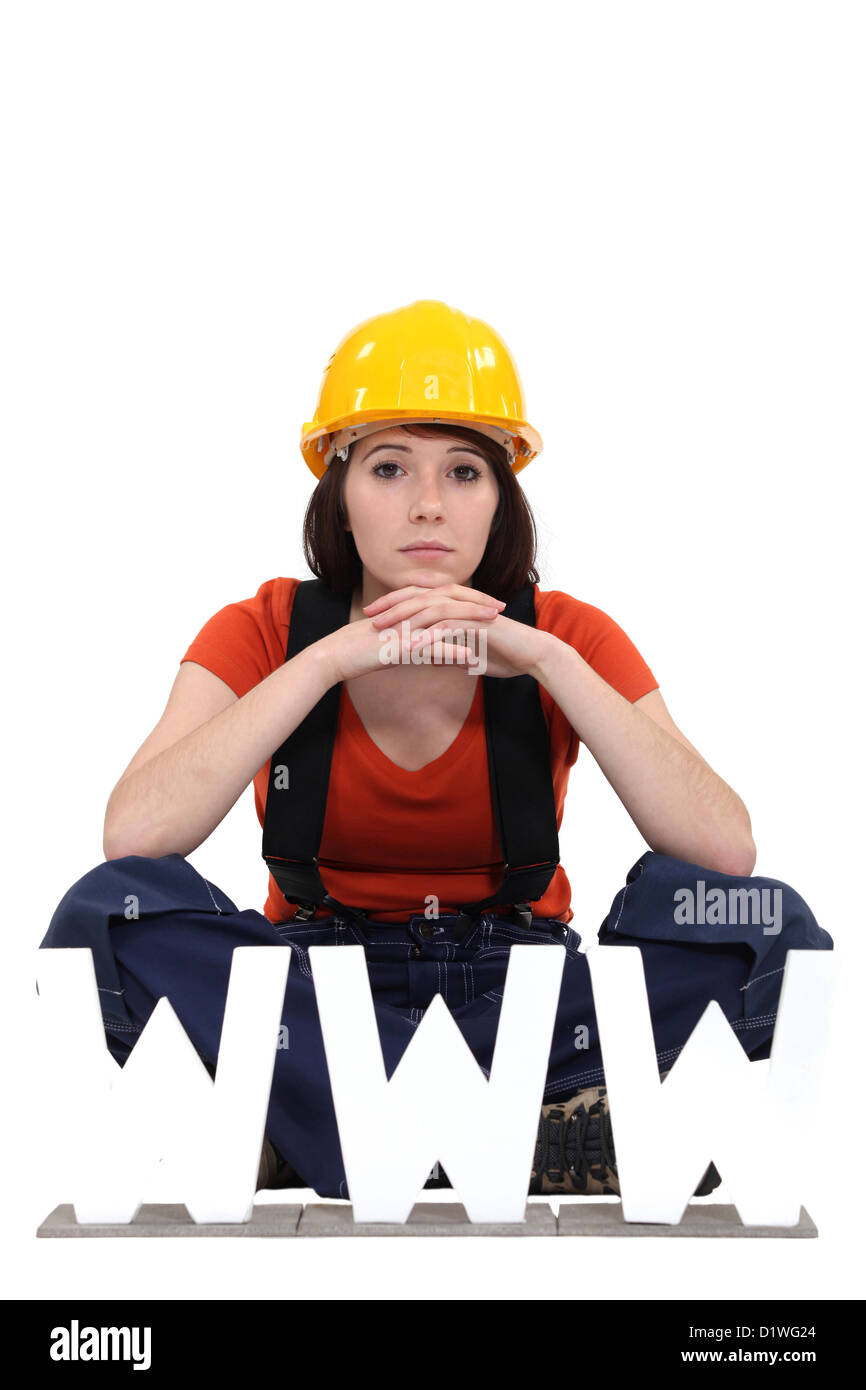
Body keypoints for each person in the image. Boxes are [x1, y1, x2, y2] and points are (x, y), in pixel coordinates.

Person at [40, 298, 833, 1202]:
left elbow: (725, 850)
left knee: (768, 925)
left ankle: (310, 1127)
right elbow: (134, 835)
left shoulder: (566, 634)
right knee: (107, 911)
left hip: (525, 1002)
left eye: (464, 472)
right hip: (311, 997)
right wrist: (331, 659)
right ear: (337, 493)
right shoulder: (262, 628)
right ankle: (505, 1132)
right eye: (387, 468)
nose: (426, 504)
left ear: (503, 499)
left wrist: (545, 660)